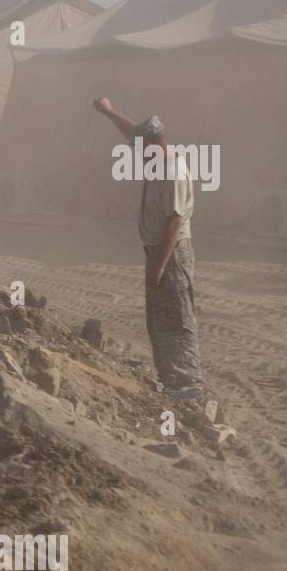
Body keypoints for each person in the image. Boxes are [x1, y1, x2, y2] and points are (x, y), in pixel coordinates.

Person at [92, 98, 204, 398]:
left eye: (142, 149)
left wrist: (159, 267)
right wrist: (109, 112)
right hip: (158, 252)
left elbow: (174, 222)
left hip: (172, 254)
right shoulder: (157, 158)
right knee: (158, 319)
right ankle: (171, 380)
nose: (138, 155)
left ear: (154, 145)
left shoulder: (173, 172)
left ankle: (187, 385)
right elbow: (132, 132)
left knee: (177, 318)